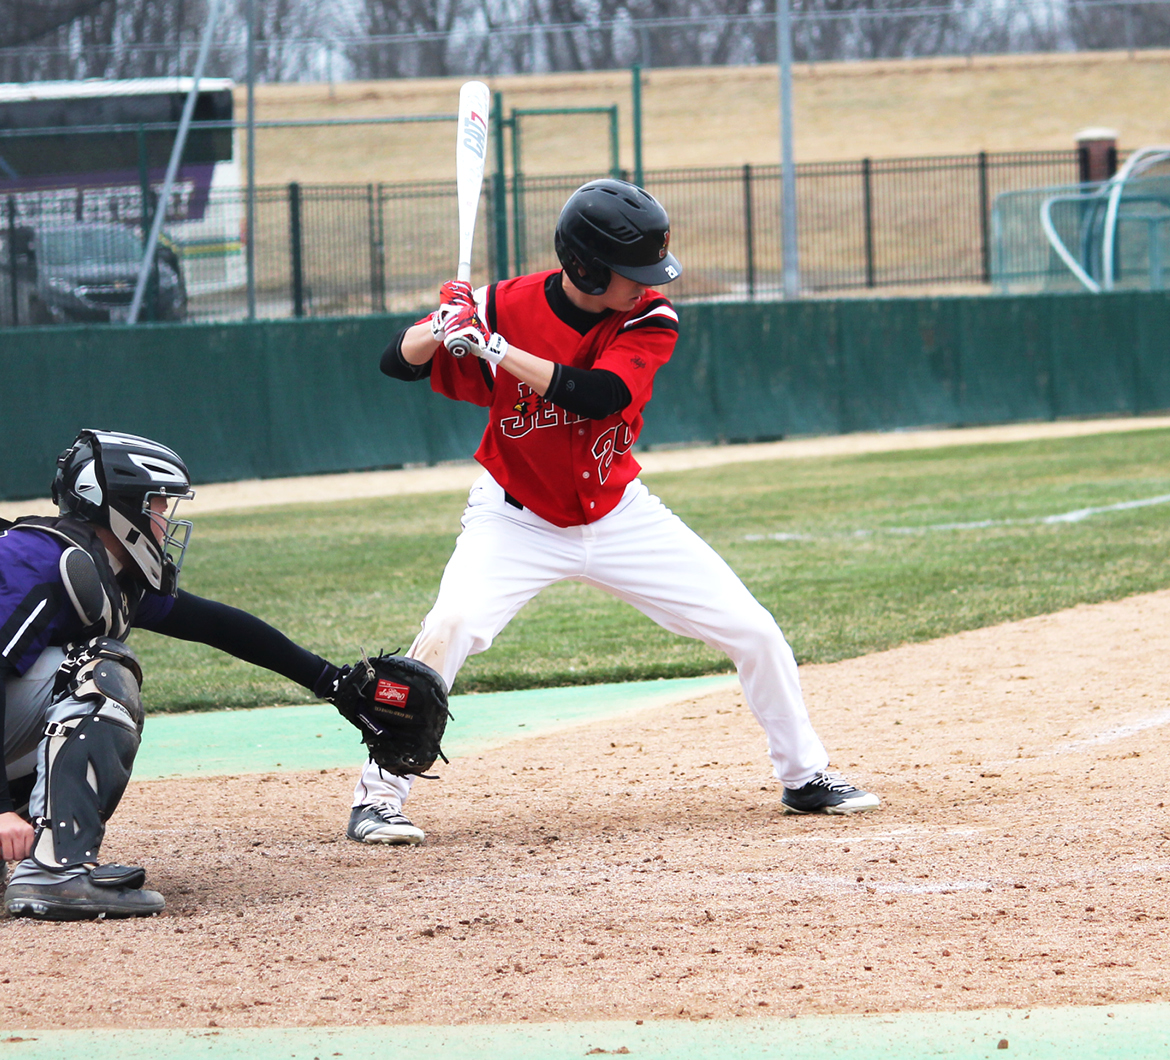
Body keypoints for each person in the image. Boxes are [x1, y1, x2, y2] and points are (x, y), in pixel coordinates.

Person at [344, 178, 879, 846]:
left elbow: (599, 395)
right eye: (632, 273)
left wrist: (494, 348)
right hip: (515, 519)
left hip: (619, 513)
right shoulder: (501, 306)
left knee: (756, 631)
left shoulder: (650, 317)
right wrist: (438, 327)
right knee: (447, 628)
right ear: (585, 268)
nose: (648, 283)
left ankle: (805, 777)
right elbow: (397, 362)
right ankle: (377, 799)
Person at [0, 430, 347, 920]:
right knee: (97, 673)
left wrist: (334, 683)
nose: (164, 519)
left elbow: (214, 623)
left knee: (74, 691)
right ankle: (54, 874)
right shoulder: (44, 561)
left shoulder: (93, 563)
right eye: (157, 505)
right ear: (116, 505)